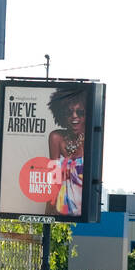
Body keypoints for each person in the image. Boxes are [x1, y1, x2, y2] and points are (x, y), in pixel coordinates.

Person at [46, 88, 87, 217]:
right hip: (60, 210)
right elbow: (54, 179)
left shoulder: (91, 141)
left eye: (80, 112)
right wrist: (47, 214)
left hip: (83, 213)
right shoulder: (56, 138)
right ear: (61, 114)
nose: (74, 116)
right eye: (69, 112)